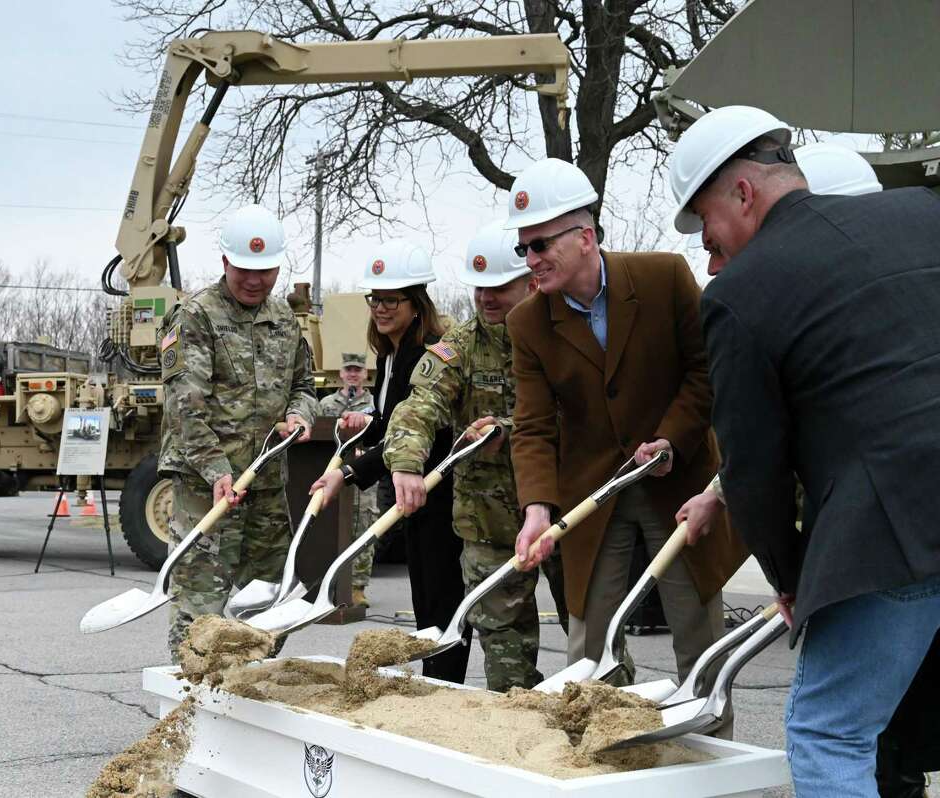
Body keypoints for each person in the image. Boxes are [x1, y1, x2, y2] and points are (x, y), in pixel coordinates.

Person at [668, 105, 940, 797]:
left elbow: (754, 467)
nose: (709, 249)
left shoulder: (743, 293)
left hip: (895, 532)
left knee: (830, 733)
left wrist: (790, 577)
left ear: (744, 194)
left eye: (706, 223)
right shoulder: (922, 214)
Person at [505, 158, 748, 689]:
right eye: (523, 248)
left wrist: (672, 438)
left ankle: (706, 751)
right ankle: (597, 759)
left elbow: (707, 369)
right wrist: (538, 509)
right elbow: (534, 426)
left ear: (585, 236)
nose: (531, 260)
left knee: (697, 635)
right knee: (588, 645)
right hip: (593, 494)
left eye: (540, 245)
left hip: (678, 483)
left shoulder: (665, 278)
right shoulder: (526, 323)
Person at [381, 222, 567, 692]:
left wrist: (508, 429)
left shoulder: (566, 335)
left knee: (592, 632)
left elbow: (587, 417)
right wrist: (405, 461)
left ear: (532, 282)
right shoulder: (460, 347)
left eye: (499, 287)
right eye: (479, 287)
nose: (486, 298)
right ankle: (518, 738)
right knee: (504, 652)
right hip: (490, 524)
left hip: (566, 511)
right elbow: (418, 405)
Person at [157, 203, 317, 657]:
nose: (254, 280)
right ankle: (190, 706)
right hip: (206, 487)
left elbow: (303, 385)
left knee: (269, 603)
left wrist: (300, 414)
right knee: (199, 608)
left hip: (265, 485)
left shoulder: (284, 320)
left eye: (265, 271)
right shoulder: (196, 316)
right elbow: (186, 406)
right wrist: (215, 470)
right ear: (226, 261)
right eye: (245, 269)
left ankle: (251, 694)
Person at [311, 239, 469, 684]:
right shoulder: (391, 352)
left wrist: (347, 473)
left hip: (440, 492)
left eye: (391, 300)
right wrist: (370, 421)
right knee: (425, 598)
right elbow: (392, 420)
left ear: (417, 303)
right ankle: (434, 682)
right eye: (375, 299)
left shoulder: (429, 351)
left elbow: (415, 432)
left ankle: (445, 686)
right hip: (411, 492)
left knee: (442, 599)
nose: (380, 308)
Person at [318, 352, 378, 607]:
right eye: (348, 370)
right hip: (333, 473)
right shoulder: (327, 404)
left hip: (362, 475)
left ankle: (357, 586)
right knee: (330, 528)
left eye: (358, 370)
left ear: (365, 374)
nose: (353, 374)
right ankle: (329, 585)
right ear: (340, 373)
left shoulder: (377, 405)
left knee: (363, 526)